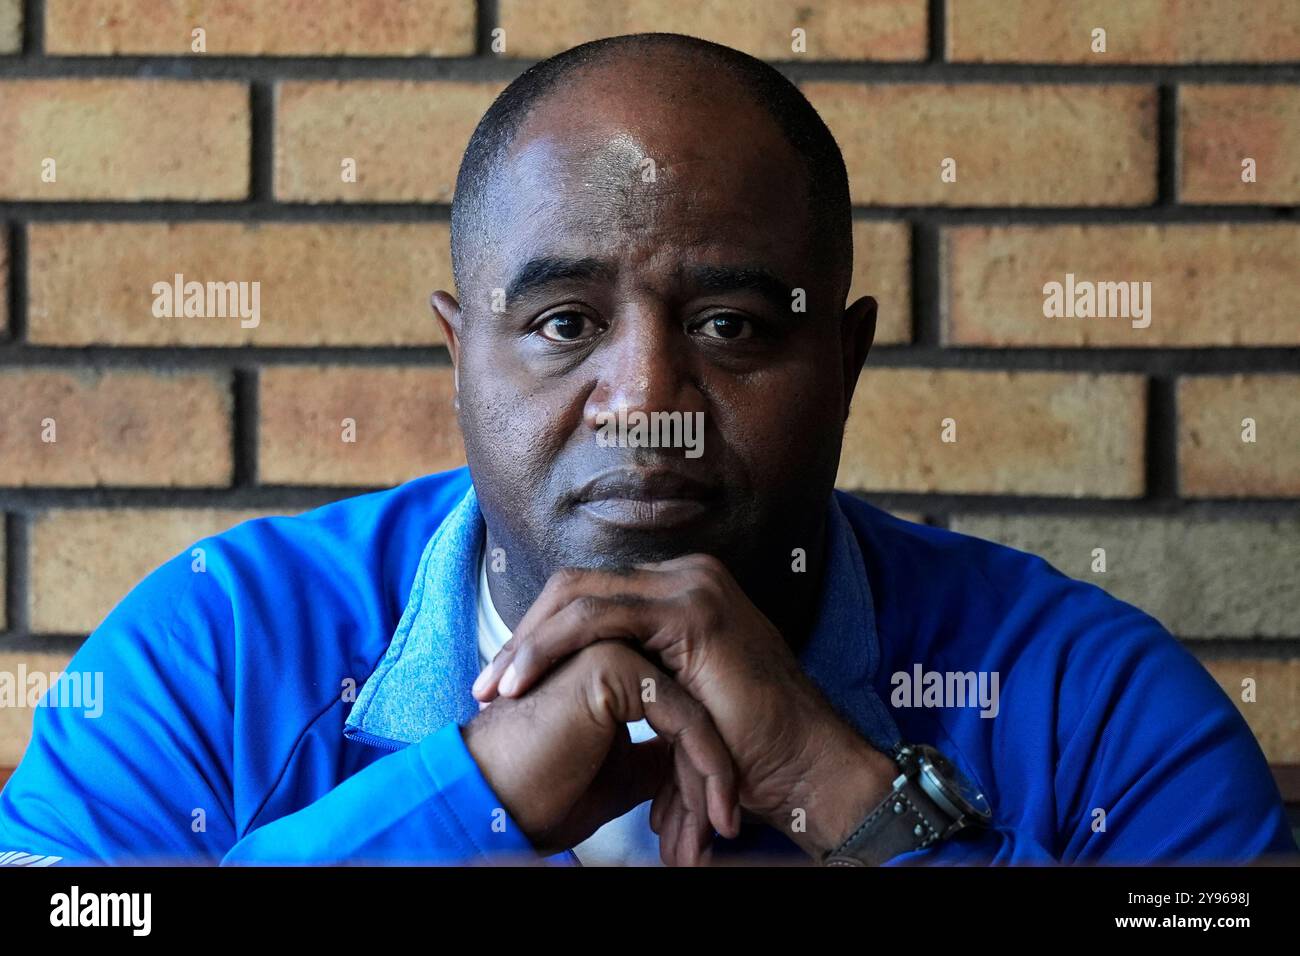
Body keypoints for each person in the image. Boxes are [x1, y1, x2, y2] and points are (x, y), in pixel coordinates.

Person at [1, 33, 1293, 867]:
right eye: (565, 323)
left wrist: (843, 793)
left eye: (731, 325)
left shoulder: (1097, 708)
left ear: (843, 367)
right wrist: (471, 800)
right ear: (460, 358)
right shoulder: (210, 659)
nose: (646, 403)